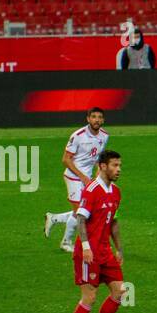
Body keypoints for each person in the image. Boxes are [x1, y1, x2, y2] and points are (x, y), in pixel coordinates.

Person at [68, 151, 128, 313]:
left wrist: (119, 248)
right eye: (114, 165)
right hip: (88, 253)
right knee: (89, 297)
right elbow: (81, 220)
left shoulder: (116, 192)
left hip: (105, 252)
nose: (118, 169)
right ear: (102, 166)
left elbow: (114, 222)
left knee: (120, 291)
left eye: (119, 165)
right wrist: (85, 247)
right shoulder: (91, 190)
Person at [45, 107, 108, 252]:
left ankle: (54, 218)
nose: (97, 120)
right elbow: (66, 160)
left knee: (85, 211)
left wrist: (98, 176)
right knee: (81, 212)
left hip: (88, 178)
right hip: (74, 177)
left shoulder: (104, 136)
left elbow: (99, 157)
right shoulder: (78, 135)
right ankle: (66, 243)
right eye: (93, 117)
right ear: (88, 119)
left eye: (99, 117)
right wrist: (83, 177)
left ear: (103, 120)